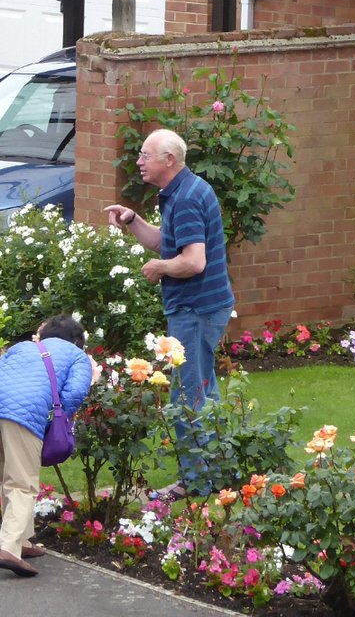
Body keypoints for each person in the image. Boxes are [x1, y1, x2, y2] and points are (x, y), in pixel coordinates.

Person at [104, 128, 234, 502]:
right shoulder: (181, 192)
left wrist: (159, 268)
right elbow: (167, 241)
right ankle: (220, 472)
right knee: (204, 391)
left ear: (169, 160)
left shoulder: (189, 198)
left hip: (196, 310)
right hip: (201, 307)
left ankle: (195, 482)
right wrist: (133, 220)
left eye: (146, 155)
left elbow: (193, 261)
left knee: (186, 397)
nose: (139, 161)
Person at [0, 314, 95, 577]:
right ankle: (9, 549)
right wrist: (59, 421)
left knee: (10, 476)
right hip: (23, 413)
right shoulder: (77, 356)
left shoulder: (22, 347)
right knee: (22, 483)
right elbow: (74, 394)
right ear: (77, 341)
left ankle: (22, 541)